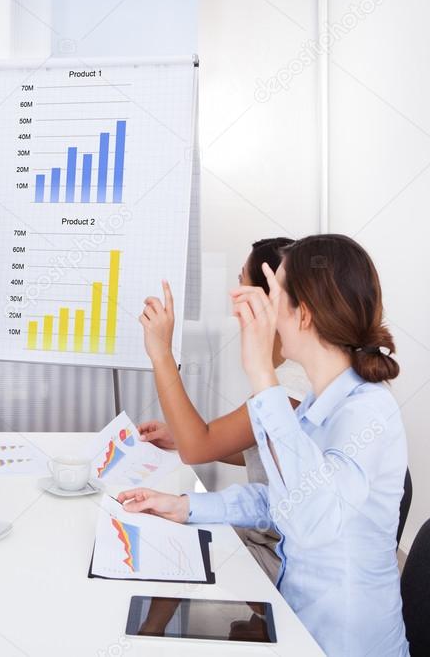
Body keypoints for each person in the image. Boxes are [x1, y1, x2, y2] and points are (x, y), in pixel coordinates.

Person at [120, 234, 409, 656]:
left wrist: (260, 372)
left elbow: (311, 520)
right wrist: (185, 506)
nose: (266, 311)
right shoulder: (318, 400)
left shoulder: (368, 413)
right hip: (295, 624)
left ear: (304, 314)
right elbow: (281, 500)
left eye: (274, 295)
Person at [135, 237, 311, 579]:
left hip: (278, 555)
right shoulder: (286, 376)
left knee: (168, 548)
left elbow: (197, 447)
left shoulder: (293, 387)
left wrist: (161, 354)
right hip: (263, 533)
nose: (235, 298)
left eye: (242, 282)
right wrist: (181, 438)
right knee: (172, 525)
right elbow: (259, 449)